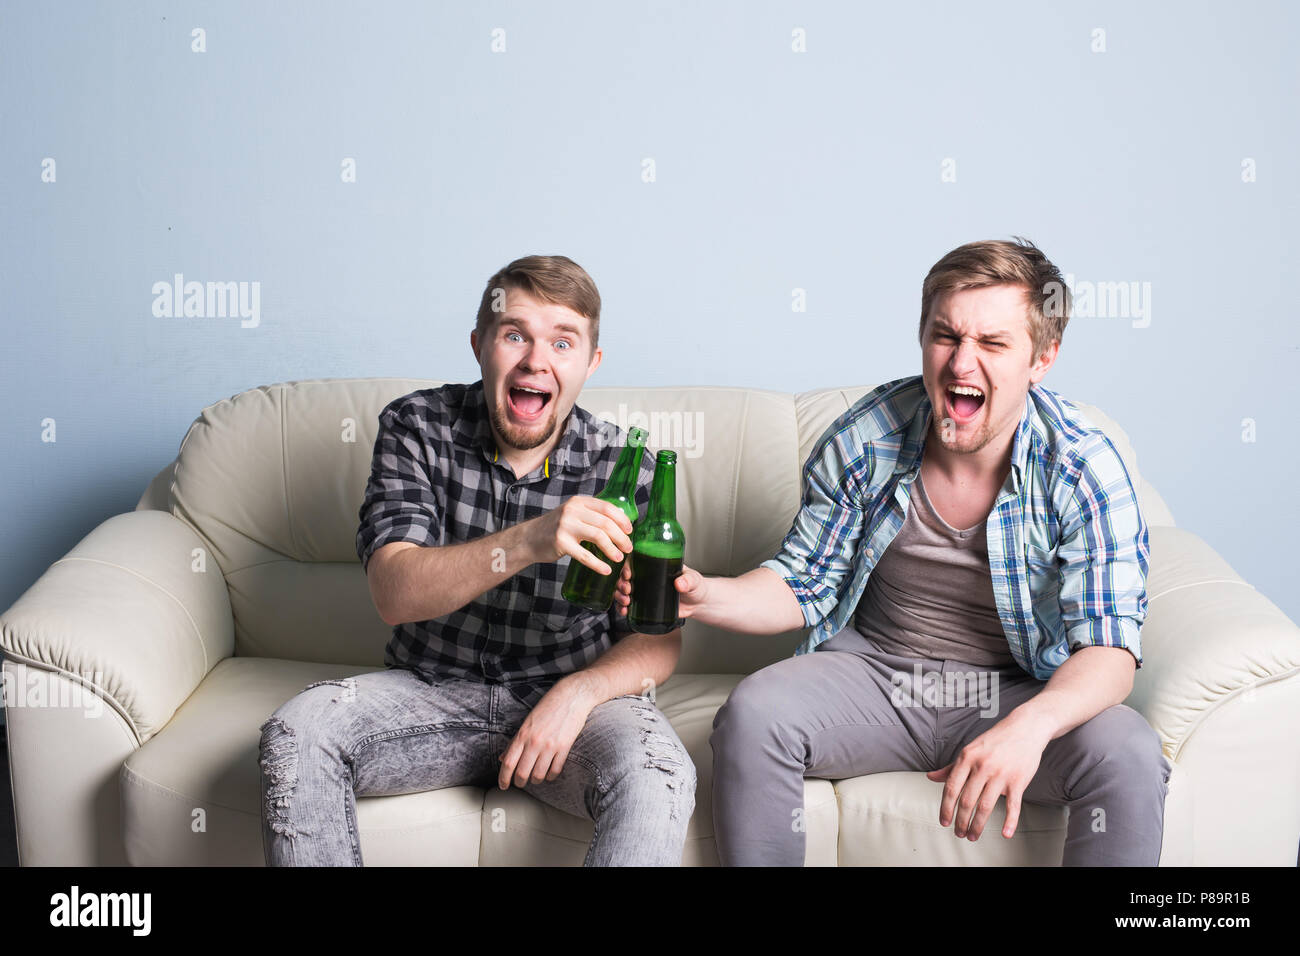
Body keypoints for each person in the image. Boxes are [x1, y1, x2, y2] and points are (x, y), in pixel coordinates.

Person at [621, 237, 1170, 865]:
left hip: (1016, 690)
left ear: (1042, 358)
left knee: (1127, 752)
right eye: (946, 336)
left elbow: (1109, 648)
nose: (962, 364)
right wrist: (703, 593)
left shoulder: (1083, 467)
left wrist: (1028, 729)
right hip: (878, 679)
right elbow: (804, 583)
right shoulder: (865, 437)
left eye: (993, 344)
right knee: (755, 714)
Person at [258, 254, 695, 866]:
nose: (536, 362)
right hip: (429, 690)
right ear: (479, 345)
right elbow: (394, 592)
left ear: (589, 364)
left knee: (660, 772)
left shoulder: (625, 467)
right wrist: (530, 539)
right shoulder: (417, 428)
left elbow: (659, 641)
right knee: (299, 732)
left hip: (565, 707)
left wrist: (578, 694)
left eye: (562, 343)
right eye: (515, 334)